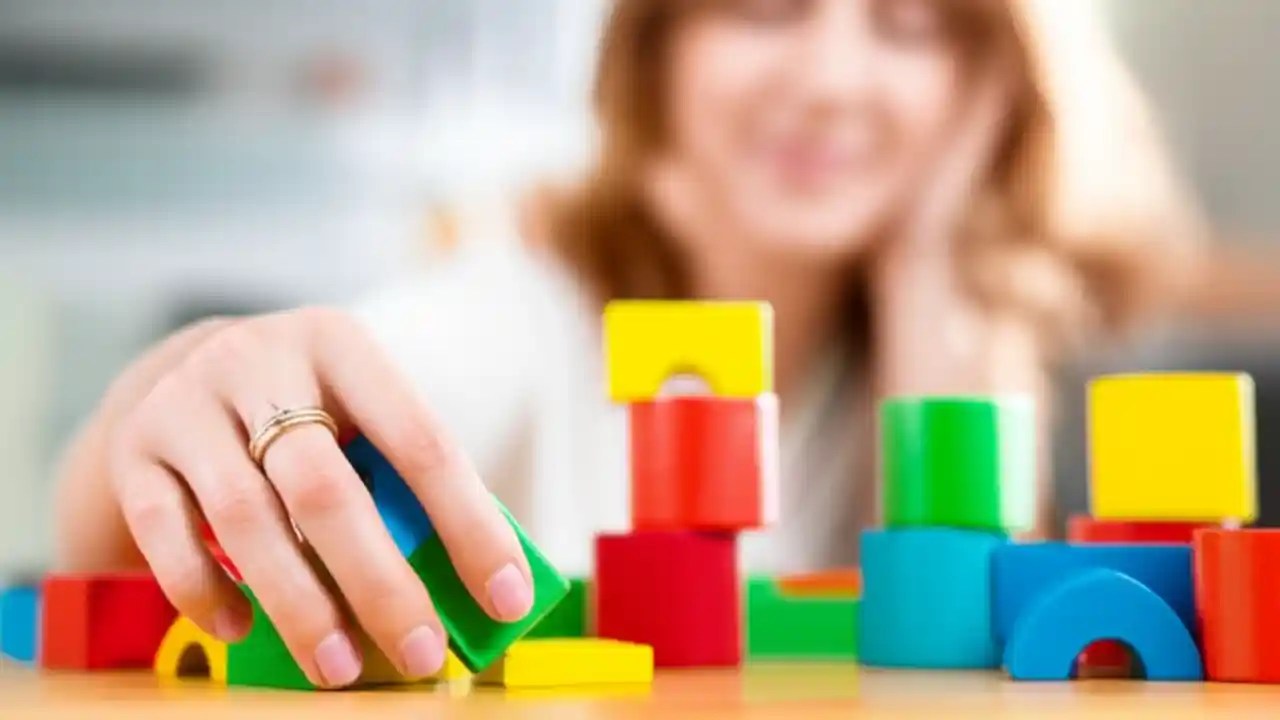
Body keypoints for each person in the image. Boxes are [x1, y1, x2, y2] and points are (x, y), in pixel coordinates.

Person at [52, 0, 1200, 690]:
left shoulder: (934, 344)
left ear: (987, 89)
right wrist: (182, 388)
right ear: (659, 55)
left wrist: (931, 267)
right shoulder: (529, 298)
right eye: (762, 8)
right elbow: (222, 436)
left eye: (912, 26)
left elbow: (954, 658)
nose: (832, 79)